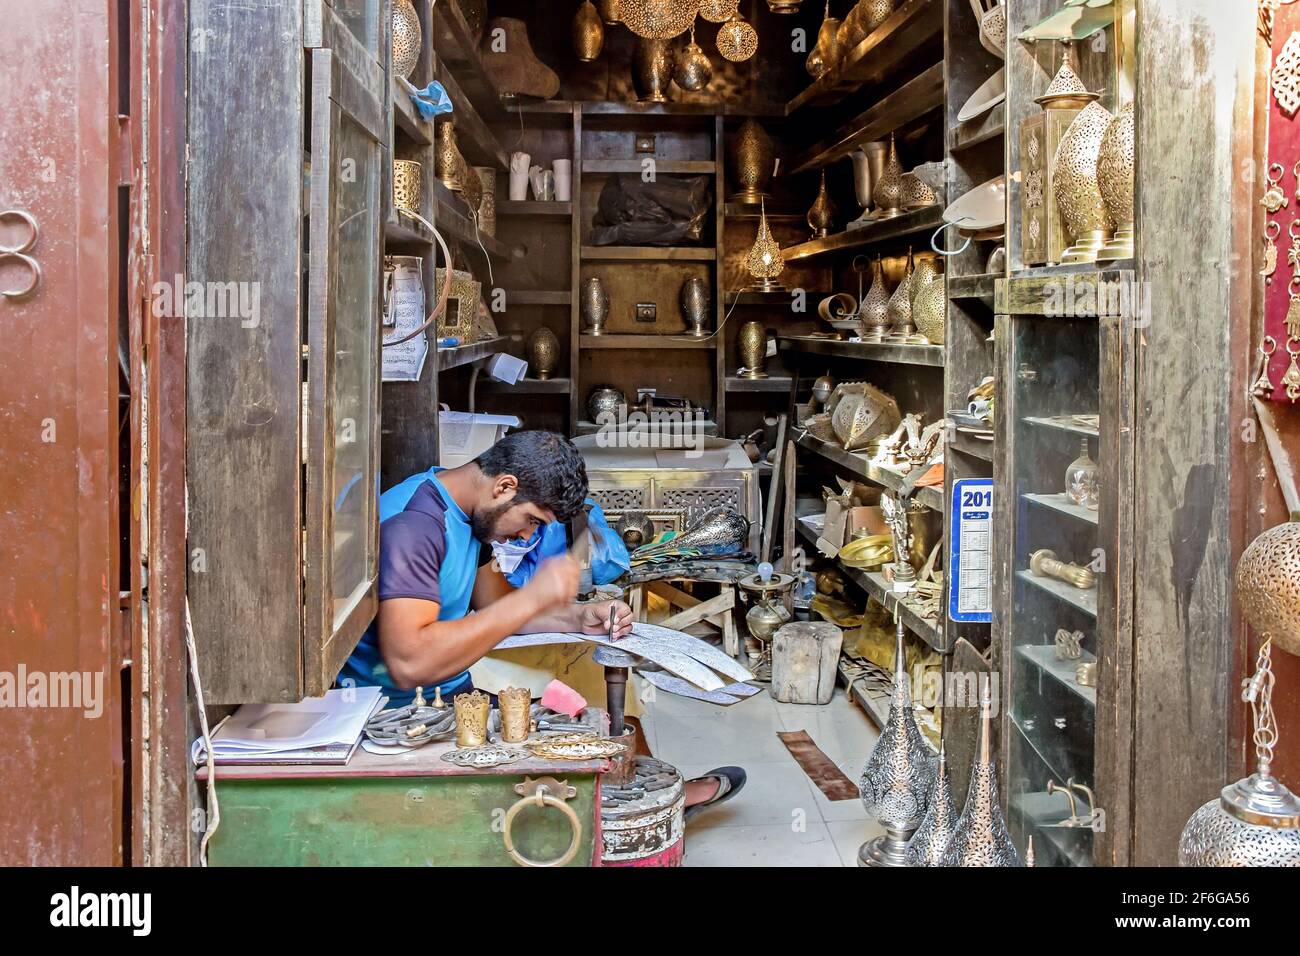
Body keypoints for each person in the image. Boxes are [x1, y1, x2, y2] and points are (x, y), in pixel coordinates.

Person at [339, 430, 744, 819]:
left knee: (590, 677)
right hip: (396, 721)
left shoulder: (464, 510)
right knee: (564, 751)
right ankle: (617, 811)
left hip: (451, 699)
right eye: (531, 519)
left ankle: (633, 795)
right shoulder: (415, 526)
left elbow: (497, 605)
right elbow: (411, 664)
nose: (526, 535)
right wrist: (535, 596)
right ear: (504, 486)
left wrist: (578, 617)